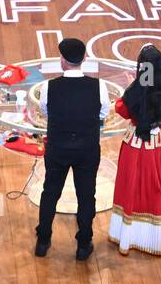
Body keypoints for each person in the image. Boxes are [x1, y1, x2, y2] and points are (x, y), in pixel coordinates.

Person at [34, 37, 111, 261]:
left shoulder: (49, 87)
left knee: (50, 192)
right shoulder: (100, 87)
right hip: (87, 149)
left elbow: (46, 111)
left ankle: (43, 240)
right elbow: (102, 114)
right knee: (86, 195)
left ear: (62, 61)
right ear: (84, 58)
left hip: (58, 148)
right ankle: (84, 244)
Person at [110, 44, 161, 256]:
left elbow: (122, 109)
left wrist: (131, 85)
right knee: (160, 186)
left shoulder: (138, 89)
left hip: (137, 147)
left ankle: (131, 236)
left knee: (132, 186)